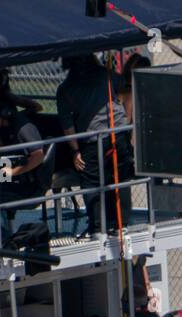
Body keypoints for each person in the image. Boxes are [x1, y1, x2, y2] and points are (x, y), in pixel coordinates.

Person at [56, 55, 130, 235]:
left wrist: (75, 151)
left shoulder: (66, 88)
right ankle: (120, 224)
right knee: (119, 179)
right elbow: (126, 87)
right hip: (117, 134)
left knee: (92, 184)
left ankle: (98, 227)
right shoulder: (105, 74)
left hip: (93, 139)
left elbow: (67, 125)